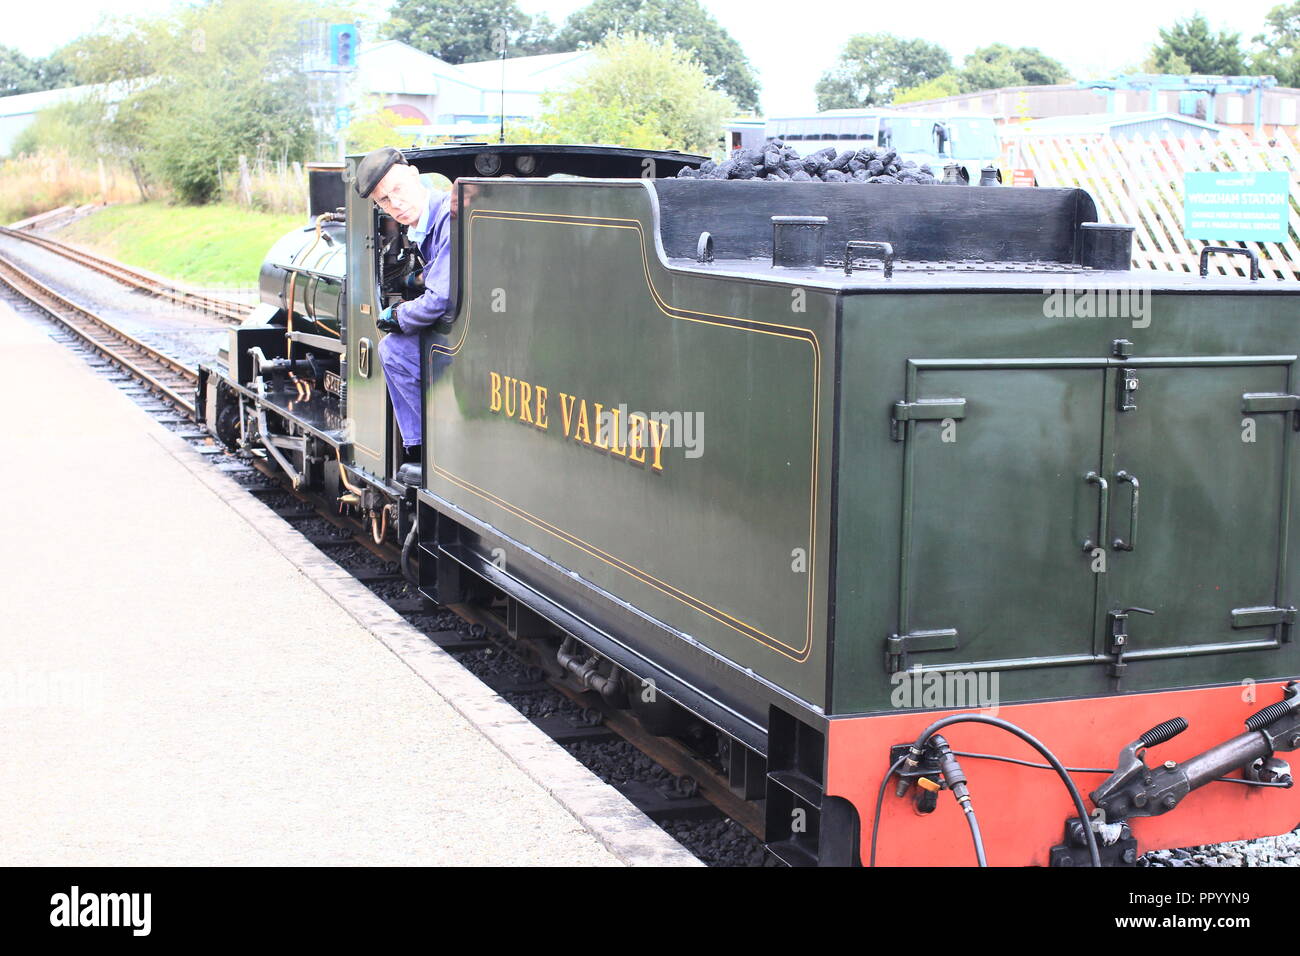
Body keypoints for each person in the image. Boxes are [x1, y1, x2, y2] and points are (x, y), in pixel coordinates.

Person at [352, 146, 458, 467]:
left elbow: (440, 299)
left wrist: (398, 315)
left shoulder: (447, 219)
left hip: (479, 332)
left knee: (393, 350)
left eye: (397, 190)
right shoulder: (433, 221)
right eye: (384, 200)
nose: (394, 203)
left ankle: (428, 445)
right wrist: (419, 279)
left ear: (414, 176)